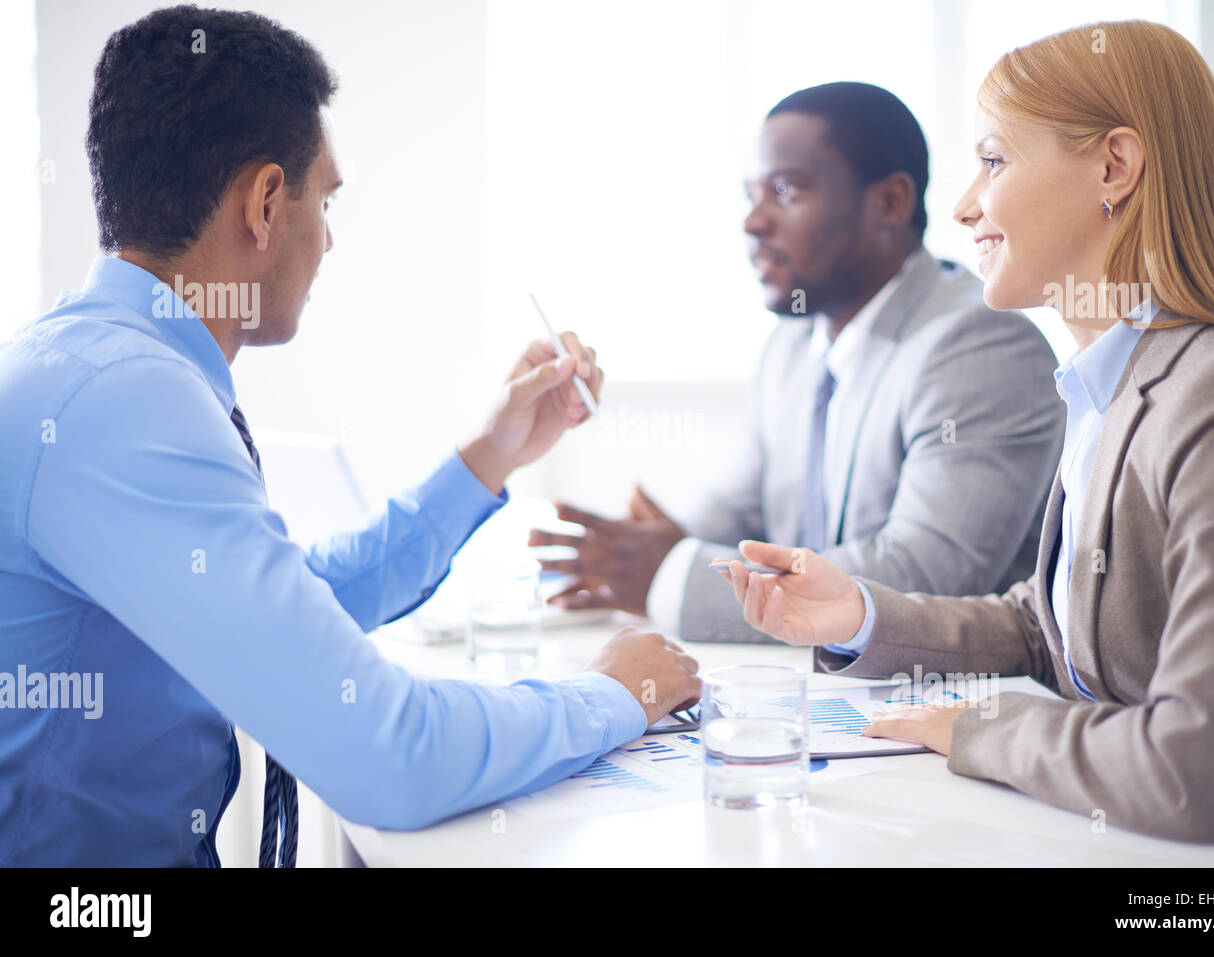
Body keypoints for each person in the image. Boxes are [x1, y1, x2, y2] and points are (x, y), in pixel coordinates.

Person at [0, 6, 699, 867]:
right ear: (264, 202)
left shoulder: (89, 362)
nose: (327, 240)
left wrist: (492, 454)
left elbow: (295, 604)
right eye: (325, 201)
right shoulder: (126, 398)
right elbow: (387, 753)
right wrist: (610, 693)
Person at [715, 20, 1214, 843]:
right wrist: (856, 615)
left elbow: (1197, 770)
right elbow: (1049, 628)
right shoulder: (1106, 379)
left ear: (1113, 167)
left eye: (992, 162)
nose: (961, 207)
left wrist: (982, 731)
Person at [530, 82, 1065, 644]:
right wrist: (635, 551)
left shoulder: (979, 343)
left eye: (785, 190)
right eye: (751, 195)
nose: (753, 223)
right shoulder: (791, 345)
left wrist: (669, 577)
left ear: (891, 202)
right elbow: (742, 510)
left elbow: (924, 576)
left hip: (945, 704)